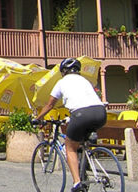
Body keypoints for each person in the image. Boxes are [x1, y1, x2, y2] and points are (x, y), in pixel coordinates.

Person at [33, 57, 108, 192]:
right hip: (100, 113)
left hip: (81, 114)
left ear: (63, 72)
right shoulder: (85, 81)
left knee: (70, 148)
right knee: (81, 141)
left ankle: (77, 182)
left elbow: (50, 104)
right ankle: (85, 167)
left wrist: (38, 118)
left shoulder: (61, 82)